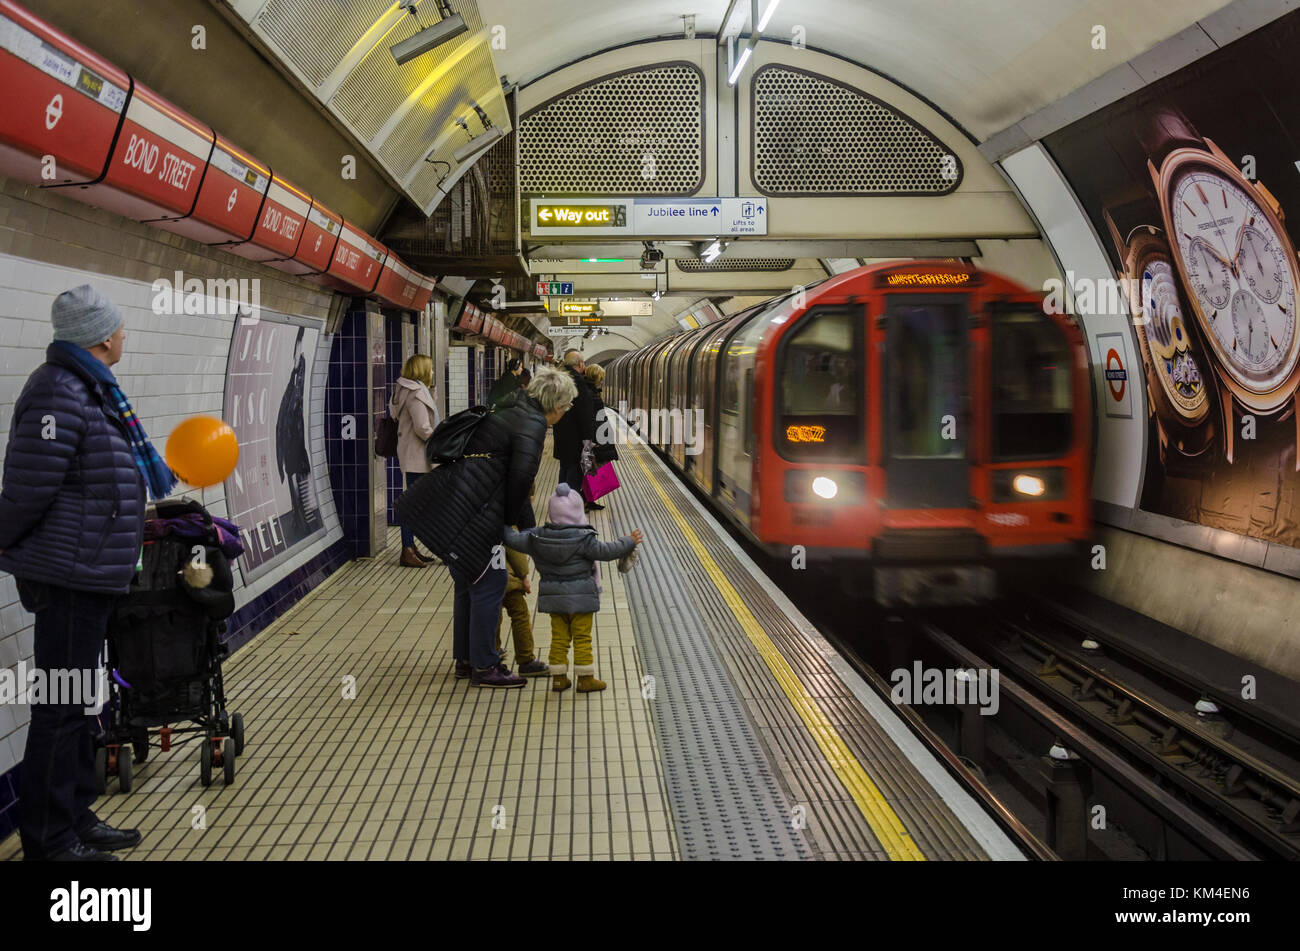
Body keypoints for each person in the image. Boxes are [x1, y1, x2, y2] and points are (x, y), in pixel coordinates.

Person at [0, 285, 176, 861]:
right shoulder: (59, 392)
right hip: (68, 576)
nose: (125, 334)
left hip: (90, 572)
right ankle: (49, 841)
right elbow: (27, 490)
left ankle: (74, 815)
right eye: (120, 327)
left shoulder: (91, 389)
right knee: (59, 706)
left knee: (78, 702)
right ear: (101, 336)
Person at [409, 366, 577, 687]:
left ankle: (467, 659)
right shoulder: (532, 424)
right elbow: (518, 482)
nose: (565, 412)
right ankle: (486, 667)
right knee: (491, 581)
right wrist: (520, 532)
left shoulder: (510, 408)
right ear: (554, 404)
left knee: (466, 583)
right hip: (480, 512)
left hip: (456, 503)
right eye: (566, 406)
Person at [504, 483, 642, 693]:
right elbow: (607, 551)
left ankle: (559, 678)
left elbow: (513, 539)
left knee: (559, 638)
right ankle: (586, 679)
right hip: (582, 599)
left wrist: (497, 521)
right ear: (578, 512)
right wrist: (629, 541)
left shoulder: (538, 538)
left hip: (555, 600)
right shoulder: (584, 539)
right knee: (582, 638)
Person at [390, 353, 442, 568]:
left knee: (415, 503)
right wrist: (441, 441)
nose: (432, 372)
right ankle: (407, 549)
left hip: (414, 455)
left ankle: (410, 547)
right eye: (429, 368)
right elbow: (422, 427)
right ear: (420, 370)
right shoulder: (415, 393)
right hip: (418, 456)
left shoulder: (408, 390)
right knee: (415, 505)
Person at [494, 483, 546, 676]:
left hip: (488, 578)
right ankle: (526, 659)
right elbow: (517, 556)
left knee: (494, 616)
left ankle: (493, 652)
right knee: (520, 615)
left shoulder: (486, 520)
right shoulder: (510, 527)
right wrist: (525, 576)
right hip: (508, 581)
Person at [276, 327, 321, 538]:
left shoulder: (292, 397)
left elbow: (279, 427)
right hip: (294, 447)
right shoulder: (294, 393)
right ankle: (302, 517)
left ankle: (302, 517)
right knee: (300, 480)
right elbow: (298, 353)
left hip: (293, 447)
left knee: (299, 480)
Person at [552, 350, 596, 497]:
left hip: (561, 435)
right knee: (574, 475)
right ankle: (570, 508)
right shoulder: (578, 382)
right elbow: (584, 414)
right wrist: (588, 440)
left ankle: (561, 504)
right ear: (580, 364)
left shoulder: (559, 379)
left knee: (564, 471)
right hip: (576, 439)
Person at [583, 363, 618, 512]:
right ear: (596, 377)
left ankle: (590, 499)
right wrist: (592, 438)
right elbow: (589, 417)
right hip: (596, 436)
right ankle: (584, 499)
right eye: (601, 378)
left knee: (593, 468)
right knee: (591, 468)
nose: (602, 380)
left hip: (599, 434)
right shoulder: (590, 394)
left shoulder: (592, 391)